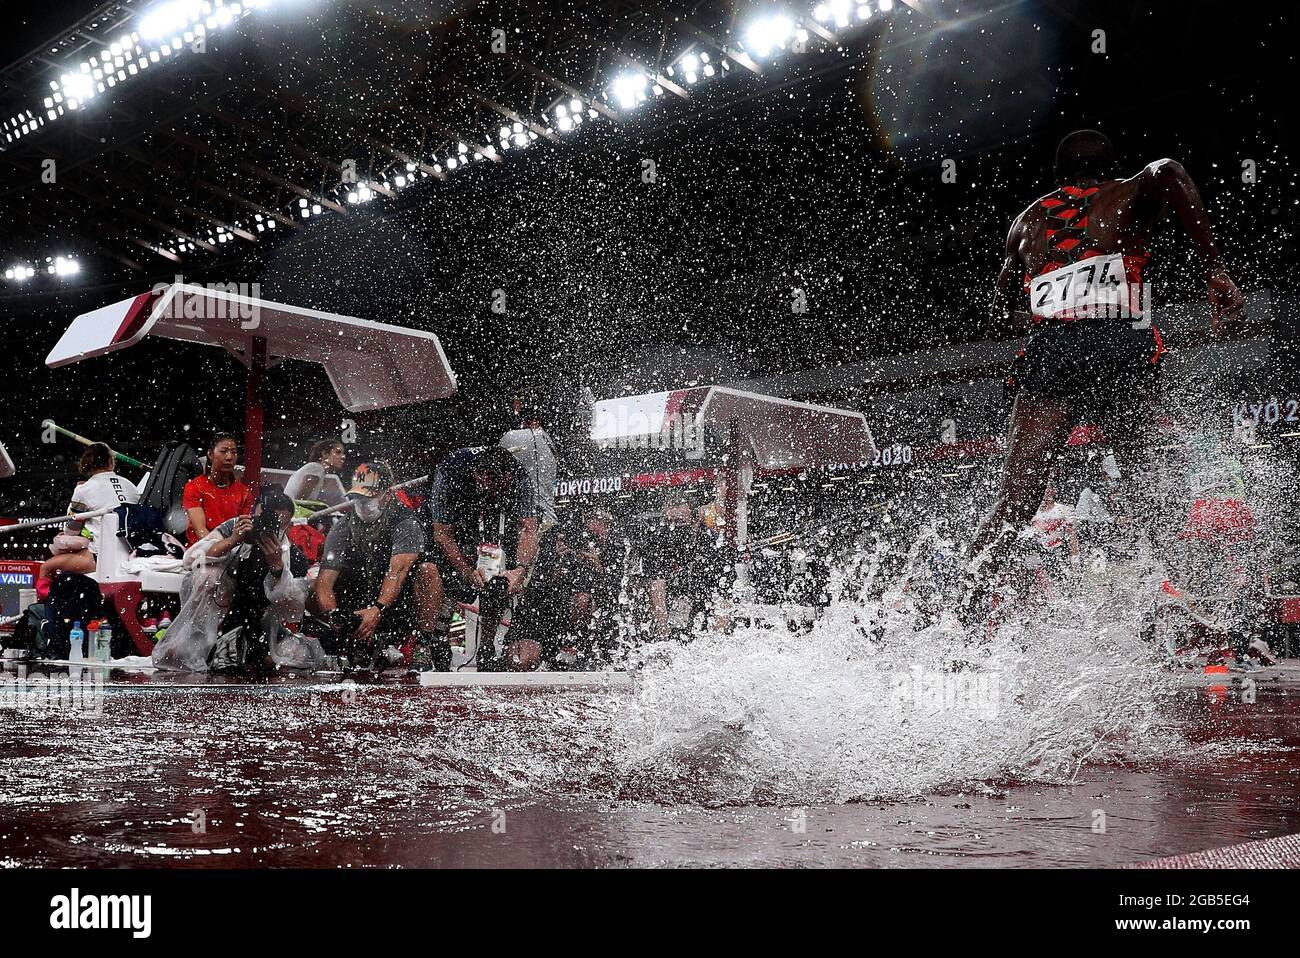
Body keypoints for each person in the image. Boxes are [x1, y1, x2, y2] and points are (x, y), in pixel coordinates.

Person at [961, 129, 1246, 624]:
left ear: (1057, 175)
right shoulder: (1127, 190)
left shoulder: (1024, 221)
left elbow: (999, 304)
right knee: (1146, 482)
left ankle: (961, 611)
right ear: (1111, 167)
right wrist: (1213, 266)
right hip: (1116, 341)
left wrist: (1045, 300)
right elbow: (1170, 171)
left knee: (1017, 497)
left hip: (1053, 351)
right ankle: (1195, 605)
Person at [153, 488, 307, 673]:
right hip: (221, 609)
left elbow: (284, 600)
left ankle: (247, 649)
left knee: (297, 654)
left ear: (288, 525)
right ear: (252, 513)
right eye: (263, 518)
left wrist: (276, 567)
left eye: (276, 523)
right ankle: (200, 645)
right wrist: (232, 540)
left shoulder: (284, 547)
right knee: (207, 574)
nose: (267, 525)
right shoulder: (236, 527)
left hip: (257, 614)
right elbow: (192, 558)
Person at [414, 446, 539, 671]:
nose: (497, 490)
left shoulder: (520, 478)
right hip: (453, 518)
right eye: (493, 485)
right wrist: (466, 571)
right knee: (433, 570)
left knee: (497, 580)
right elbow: (443, 535)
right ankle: (430, 640)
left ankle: (487, 647)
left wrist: (519, 569)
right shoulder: (451, 472)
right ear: (479, 476)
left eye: (503, 486)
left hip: (495, 518)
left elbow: (528, 529)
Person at [308, 462, 423, 669]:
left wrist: (377, 609)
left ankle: (424, 643)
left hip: (396, 600)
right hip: (357, 596)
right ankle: (345, 639)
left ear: (387, 496)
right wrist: (336, 617)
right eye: (356, 498)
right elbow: (325, 580)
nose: (361, 503)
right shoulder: (342, 528)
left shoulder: (406, 522)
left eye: (367, 498)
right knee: (311, 585)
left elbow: (397, 571)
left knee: (428, 572)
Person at [37, 443, 141, 597]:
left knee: (46, 568)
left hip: (103, 556)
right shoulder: (131, 486)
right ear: (111, 462)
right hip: (135, 551)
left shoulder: (84, 490)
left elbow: (71, 531)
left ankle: (47, 613)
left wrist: (76, 495)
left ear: (87, 465)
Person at [642, 496, 735, 641]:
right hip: (672, 610)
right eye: (668, 522)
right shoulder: (658, 540)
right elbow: (656, 585)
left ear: (695, 522)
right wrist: (662, 628)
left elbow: (723, 593)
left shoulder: (712, 545)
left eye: (679, 522)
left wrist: (720, 637)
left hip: (706, 609)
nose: (673, 527)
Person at [556, 508, 623, 660]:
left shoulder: (616, 549)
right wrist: (560, 559)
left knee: (585, 601)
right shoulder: (573, 544)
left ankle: (593, 650)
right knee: (580, 600)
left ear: (607, 530)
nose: (594, 535)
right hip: (568, 601)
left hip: (604, 601)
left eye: (600, 528)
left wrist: (597, 565)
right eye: (590, 528)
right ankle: (569, 646)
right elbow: (555, 583)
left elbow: (616, 587)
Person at [182, 434, 254, 546]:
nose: (229, 457)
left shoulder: (245, 493)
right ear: (210, 454)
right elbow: (201, 531)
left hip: (232, 552)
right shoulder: (194, 487)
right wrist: (223, 548)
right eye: (224, 451)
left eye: (234, 452)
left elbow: (244, 530)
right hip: (200, 554)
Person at [284, 439, 347, 506]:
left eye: (343, 453)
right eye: (338, 452)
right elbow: (300, 501)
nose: (343, 457)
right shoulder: (317, 468)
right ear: (324, 454)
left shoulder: (315, 468)